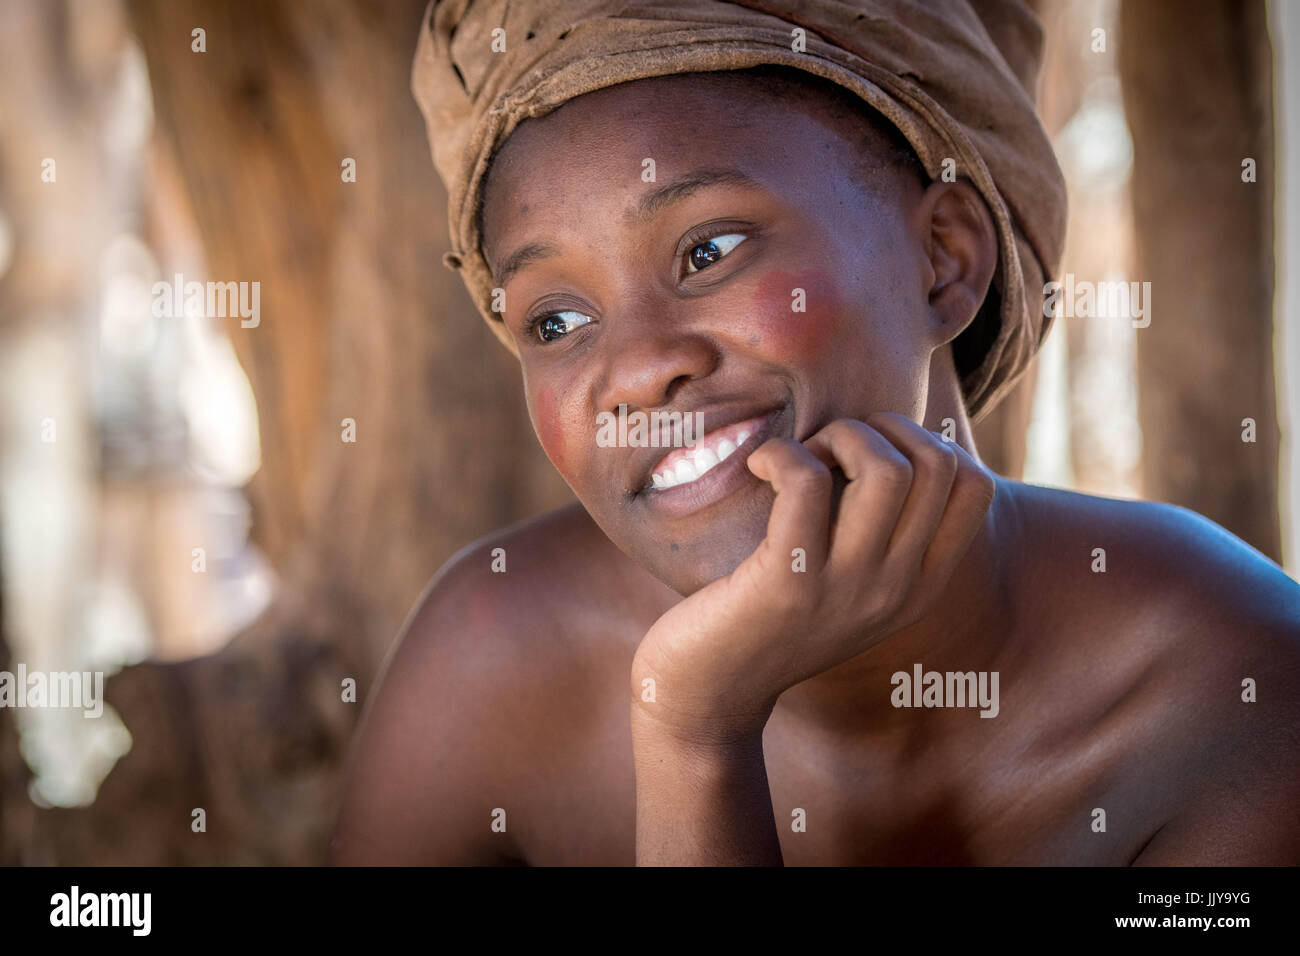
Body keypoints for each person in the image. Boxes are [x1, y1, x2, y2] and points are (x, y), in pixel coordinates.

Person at [330, 0, 1300, 865]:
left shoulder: (1235, 696)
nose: (632, 368)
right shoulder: (489, 658)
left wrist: (693, 731)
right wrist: (693, 722)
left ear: (942, 259)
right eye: (555, 320)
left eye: (709, 250)